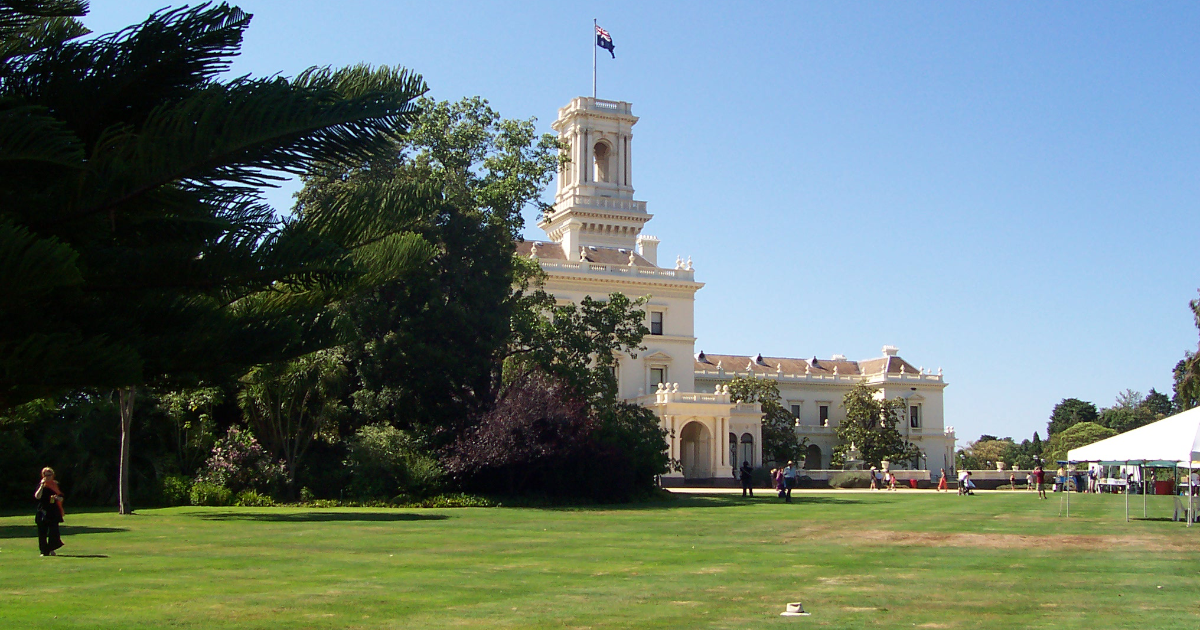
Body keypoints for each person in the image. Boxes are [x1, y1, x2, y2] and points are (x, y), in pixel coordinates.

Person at [34, 467, 64, 556]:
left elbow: (61, 497)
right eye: (45, 475)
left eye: (49, 475)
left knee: (53, 531)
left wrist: (57, 498)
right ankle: (44, 551)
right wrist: (42, 486)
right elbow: (37, 496)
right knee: (42, 532)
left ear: (53, 475)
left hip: (53, 511)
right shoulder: (41, 485)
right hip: (43, 511)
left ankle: (51, 548)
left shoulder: (56, 485)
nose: (47, 477)